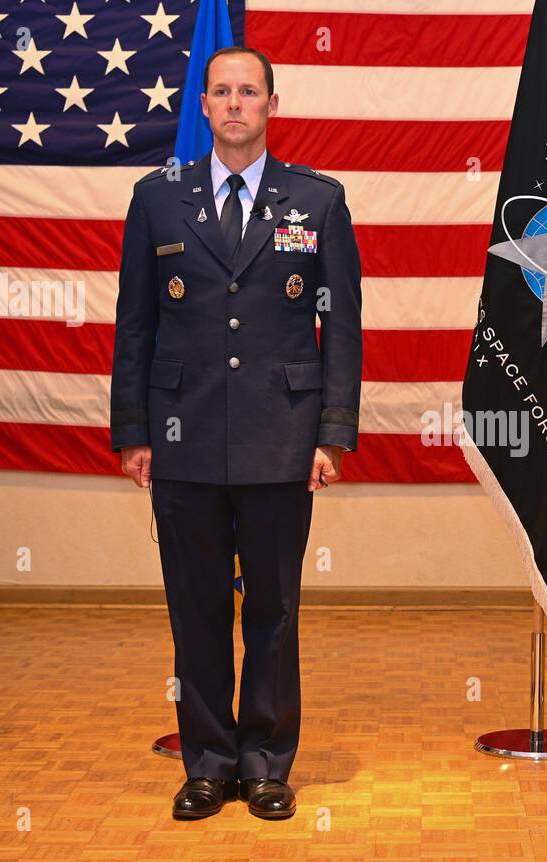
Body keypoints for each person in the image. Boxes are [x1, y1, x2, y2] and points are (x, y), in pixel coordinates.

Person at [109, 45, 362, 821]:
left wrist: (331, 434)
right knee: (196, 610)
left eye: (249, 91)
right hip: (182, 436)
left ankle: (266, 764)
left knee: (274, 611)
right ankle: (208, 764)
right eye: (221, 92)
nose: (234, 104)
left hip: (282, 437)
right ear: (205, 105)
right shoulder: (158, 199)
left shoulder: (317, 201)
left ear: (271, 105)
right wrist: (134, 431)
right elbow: (135, 325)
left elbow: (341, 330)